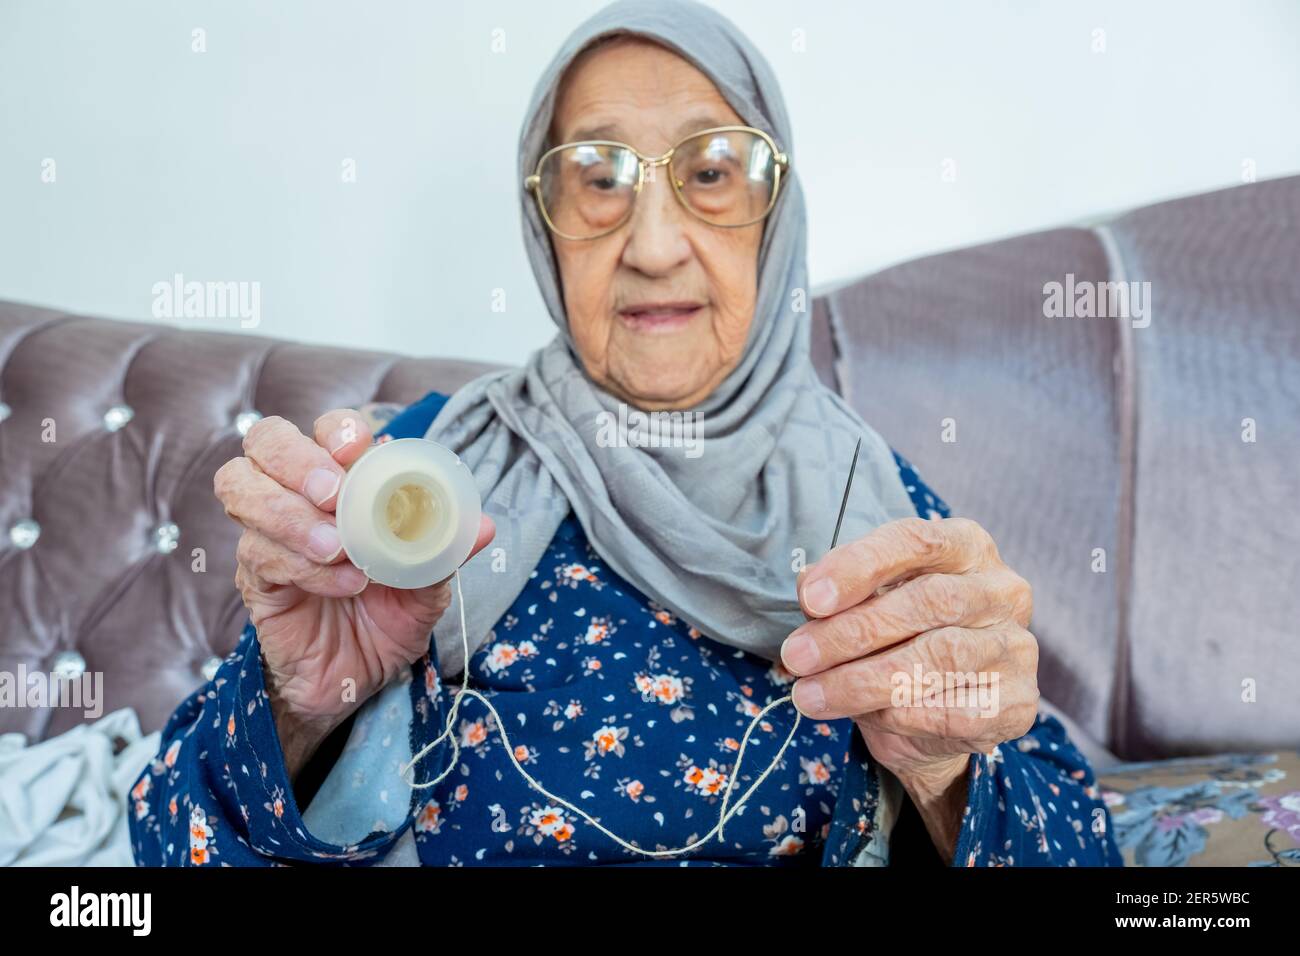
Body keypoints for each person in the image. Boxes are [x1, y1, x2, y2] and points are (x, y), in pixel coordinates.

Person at [129, 0, 1121, 867]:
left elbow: (1079, 848)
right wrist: (300, 705)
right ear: (542, 221)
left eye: (713, 170)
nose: (651, 244)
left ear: (776, 214)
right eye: (597, 176)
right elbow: (165, 843)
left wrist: (941, 767)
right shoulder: (418, 477)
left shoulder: (873, 502)